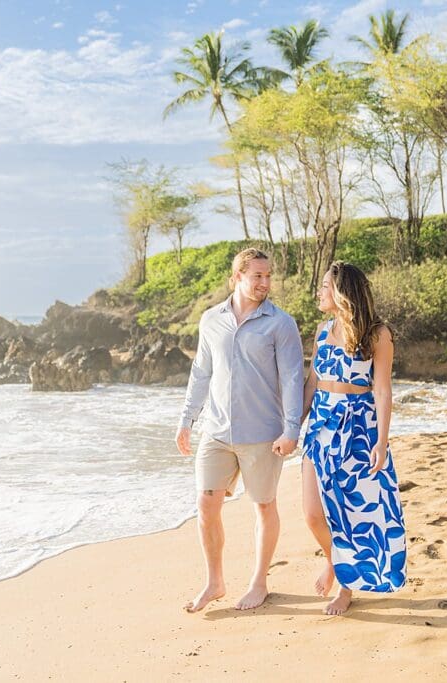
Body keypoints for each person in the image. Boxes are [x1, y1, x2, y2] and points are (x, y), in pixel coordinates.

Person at [175, 247, 305, 612]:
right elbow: (201, 372)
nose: (265, 283)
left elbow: (292, 378)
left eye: (268, 276)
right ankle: (214, 582)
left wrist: (291, 429)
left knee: (263, 506)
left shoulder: (281, 324)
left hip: (263, 433)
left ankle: (259, 582)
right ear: (237, 277)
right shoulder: (210, 320)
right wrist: (186, 420)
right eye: (257, 276)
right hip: (216, 431)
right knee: (206, 505)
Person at [301, 261, 407, 617]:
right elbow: (312, 383)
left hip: (358, 430)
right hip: (321, 426)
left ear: (342, 292)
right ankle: (334, 561)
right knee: (313, 514)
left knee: (348, 514)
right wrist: (292, 426)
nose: (319, 292)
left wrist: (381, 441)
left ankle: (346, 587)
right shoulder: (322, 331)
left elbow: (382, 391)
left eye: (325, 286)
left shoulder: (378, 335)